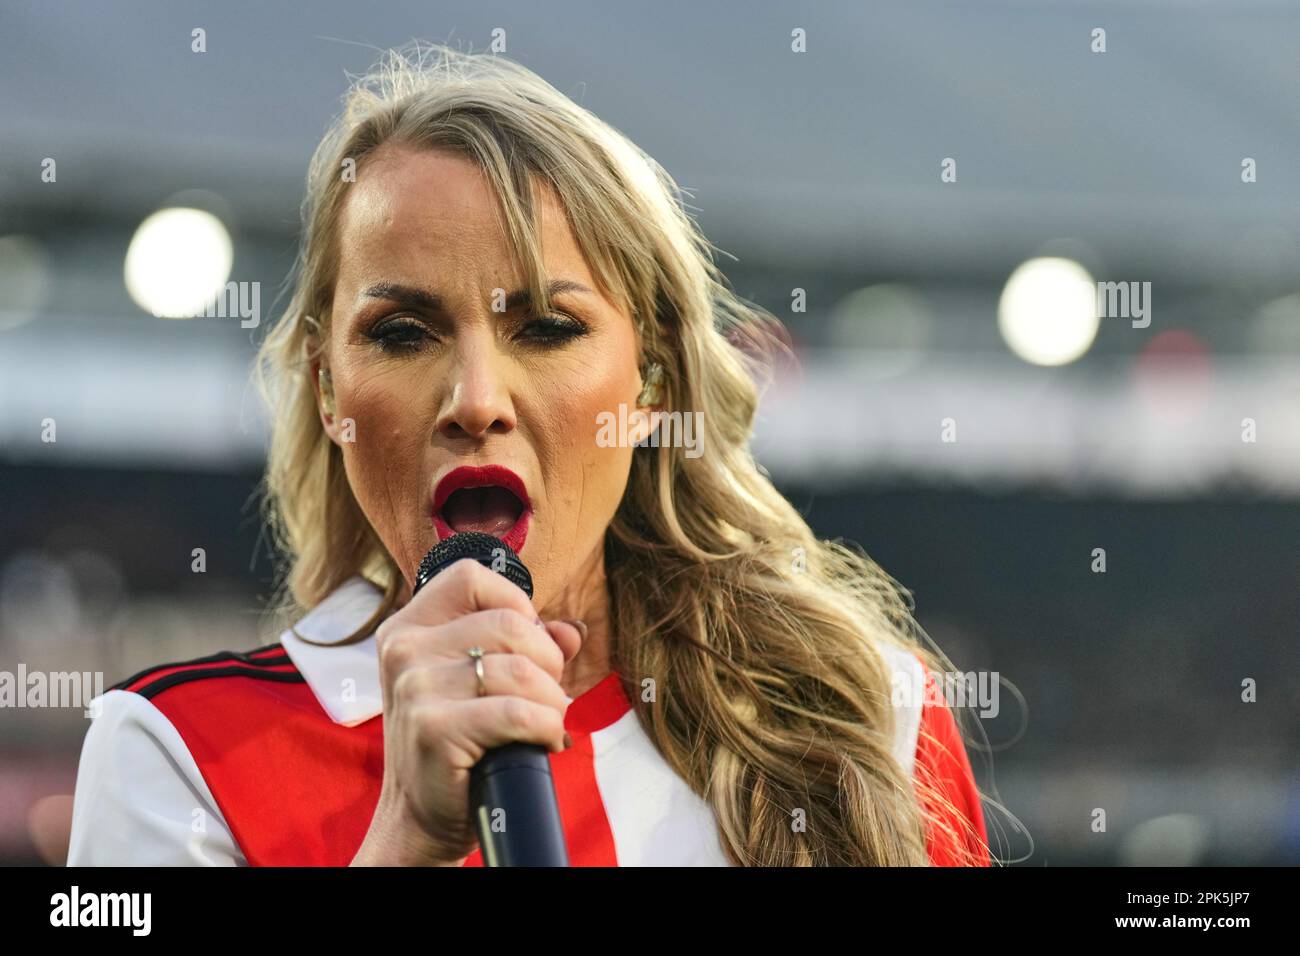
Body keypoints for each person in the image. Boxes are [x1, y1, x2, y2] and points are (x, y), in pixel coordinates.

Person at [67, 41, 990, 867]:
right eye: (401, 333)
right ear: (326, 388)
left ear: (653, 383)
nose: (475, 400)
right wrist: (404, 845)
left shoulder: (869, 719)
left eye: (547, 327)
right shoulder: (173, 757)